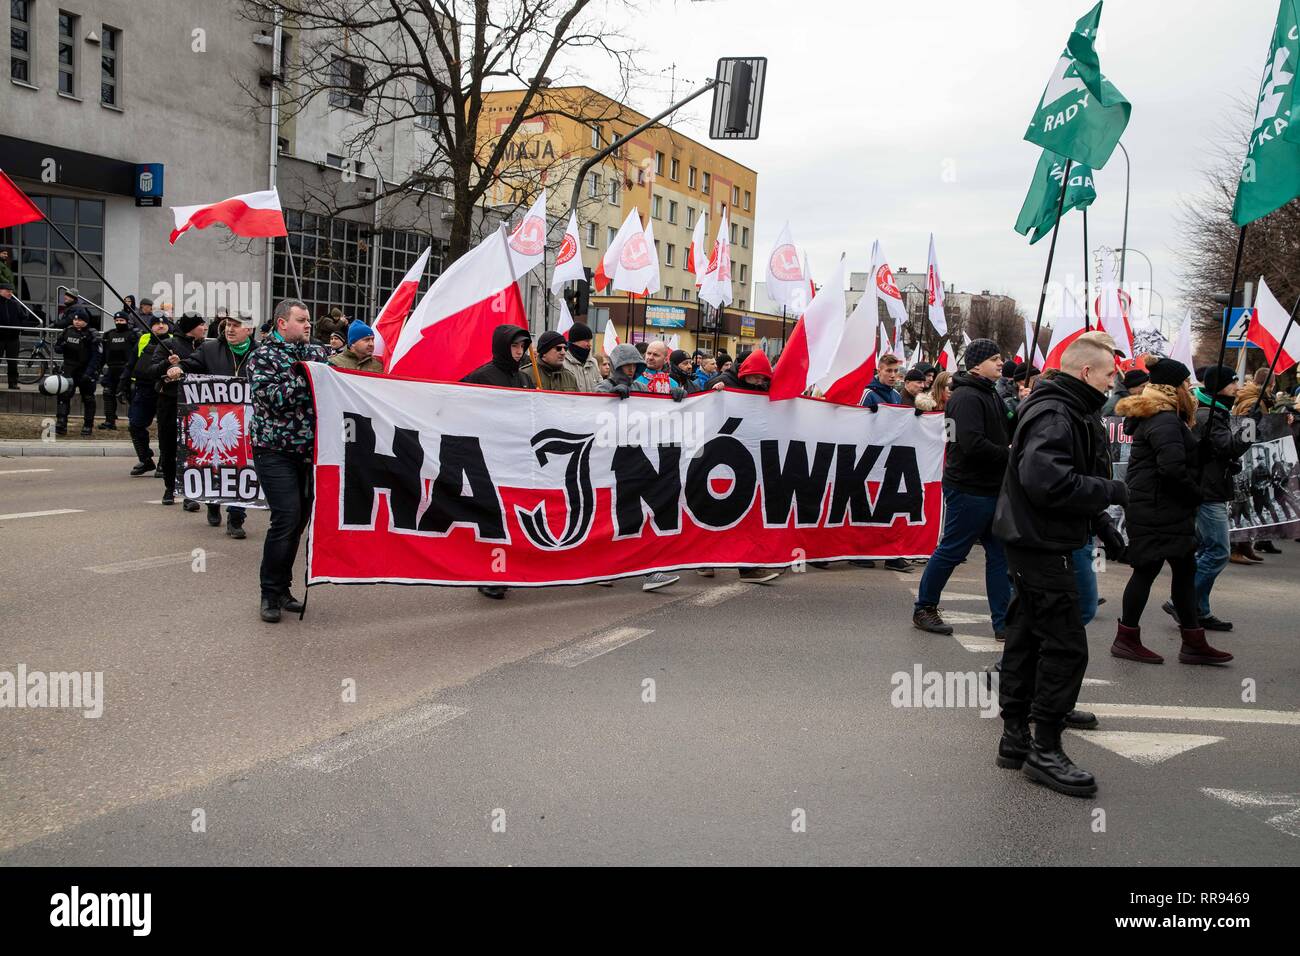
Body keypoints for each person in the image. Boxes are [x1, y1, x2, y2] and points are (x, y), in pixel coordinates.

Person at [992, 334, 1129, 797]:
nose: (1115, 382)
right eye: (1110, 374)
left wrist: (1106, 530)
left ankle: (1015, 739)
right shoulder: (1057, 411)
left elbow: (1059, 480)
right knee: (1067, 646)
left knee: (1028, 636)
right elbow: (1047, 481)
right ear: (1086, 372)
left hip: (1040, 538)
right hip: (1039, 543)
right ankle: (1044, 750)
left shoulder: (1069, 408)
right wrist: (1111, 491)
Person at [1112, 358, 1232, 666]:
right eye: (1185, 385)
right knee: (1148, 570)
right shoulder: (1164, 419)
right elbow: (1171, 470)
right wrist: (1196, 495)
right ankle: (1127, 639)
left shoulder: (1164, 418)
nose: (1189, 390)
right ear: (1172, 388)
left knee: (1184, 571)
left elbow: (1175, 457)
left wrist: (1198, 451)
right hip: (1158, 508)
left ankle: (1192, 641)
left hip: (1161, 507)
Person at [912, 338, 1012, 640]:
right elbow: (971, 444)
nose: (1000, 363)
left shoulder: (989, 394)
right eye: (995, 358)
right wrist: (1010, 452)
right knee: (952, 550)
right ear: (977, 364)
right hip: (969, 489)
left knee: (999, 556)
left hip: (990, 488)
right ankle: (924, 607)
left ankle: (1004, 622)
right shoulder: (967, 397)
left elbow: (1002, 427)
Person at [247, 299, 333, 623]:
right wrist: (310, 377)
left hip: (309, 453)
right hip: (274, 450)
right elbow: (274, 399)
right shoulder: (263, 357)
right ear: (282, 323)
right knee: (286, 516)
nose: (308, 324)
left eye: (309, 319)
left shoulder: (317, 352)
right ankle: (268, 593)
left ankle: (283, 590)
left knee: (298, 522)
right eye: (301, 319)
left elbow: (336, 387)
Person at [1161, 365, 1250, 632]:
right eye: (1233, 383)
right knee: (1218, 552)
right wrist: (1251, 426)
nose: (1238, 388)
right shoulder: (1207, 414)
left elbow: (1217, 453)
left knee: (1206, 551)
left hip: (1210, 488)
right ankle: (1182, 602)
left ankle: (1199, 609)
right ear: (1221, 386)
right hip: (1208, 494)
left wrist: (1228, 464)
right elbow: (1228, 446)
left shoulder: (1214, 411)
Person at [596, 342, 680, 592]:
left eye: (635, 365)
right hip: (609, 463)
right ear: (614, 366)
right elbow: (589, 414)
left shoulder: (641, 387)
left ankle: (650, 570)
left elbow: (658, 408)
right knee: (614, 518)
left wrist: (675, 399)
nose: (631, 370)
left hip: (638, 458)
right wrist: (609, 398)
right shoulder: (602, 387)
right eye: (626, 365)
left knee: (644, 515)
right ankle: (605, 567)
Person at [178, 314, 260, 539]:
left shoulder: (260, 353)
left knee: (243, 466)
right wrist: (178, 367)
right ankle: (213, 502)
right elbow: (190, 365)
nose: (230, 330)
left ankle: (236, 517)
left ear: (249, 329)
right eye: (228, 326)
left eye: (236, 326)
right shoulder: (210, 349)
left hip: (245, 422)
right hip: (213, 417)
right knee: (215, 462)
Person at [152, 313, 208, 506]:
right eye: (201, 324)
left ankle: (190, 493)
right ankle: (170, 487)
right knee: (168, 447)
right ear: (190, 328)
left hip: (196, 405)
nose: (205, 328)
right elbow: (150, 371)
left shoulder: (205, 348)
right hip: (170, 403)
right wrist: (168, 363)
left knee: (193, 448)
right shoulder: (168, 345)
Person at [120, 311, 172, 476]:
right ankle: (145, 459)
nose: (161, 326)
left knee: (165, 428)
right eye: (157, 323)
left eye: (163, 323)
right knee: (135, 425)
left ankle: (165, 462)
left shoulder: (174, 342)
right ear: (151, 326)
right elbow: (131, 364)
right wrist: (122, 384)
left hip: (164, 389)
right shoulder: (143, 339)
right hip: (143, 389)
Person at [53, 307, 102, 436]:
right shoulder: (67, 331)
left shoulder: (92, 334)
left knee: (88, 399)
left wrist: (89, 373)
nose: (77, 322)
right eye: (75, 320)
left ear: (86, 321)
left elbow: (96, 356)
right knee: (63, 396)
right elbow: (57, 349)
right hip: (69, 369)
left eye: (80, 320)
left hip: (85, 371)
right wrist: (61, 346)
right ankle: (61, 423)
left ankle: (88, 425)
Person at [98, 310, 138, 429]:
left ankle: (134, 422)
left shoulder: (133, 335)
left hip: (127, 370)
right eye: (117, 320)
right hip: (112, 370)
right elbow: (104, 353)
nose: (119, 322)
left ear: (126, 321)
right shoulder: (109, 334)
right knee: (108, 393)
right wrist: (99, 367)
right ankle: (110, 421)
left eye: (122, 320)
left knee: (131, 395)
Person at [462, 324, 534, 389]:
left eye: (522, 346)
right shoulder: (480, 377)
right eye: (514, 346)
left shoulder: (525, 379)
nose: (520, 352)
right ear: (502, 347)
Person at [0, 282, 29, 390]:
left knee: (12, 361)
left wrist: (20, 328)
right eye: (8, 291)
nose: (10, 293)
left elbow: (24, 317)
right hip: (0, 337)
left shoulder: (15, 304)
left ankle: (13, 383)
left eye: (11, 291)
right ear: (0, 291)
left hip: (13, 338)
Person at [563, 322, 603, 391]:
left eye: (590, 341)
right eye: (587, 341)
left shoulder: (593, 362)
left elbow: (601, 387)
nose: (589, 345)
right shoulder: (563, 362)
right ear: (575, 341)